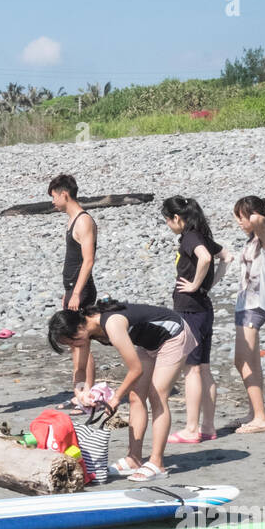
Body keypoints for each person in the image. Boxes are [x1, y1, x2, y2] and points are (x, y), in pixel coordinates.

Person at [47, 300, 196, 481]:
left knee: (157, 396)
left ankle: (157, 463)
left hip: (173, 335)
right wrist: (81, 393)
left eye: (73, 341)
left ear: (79, 327)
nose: (75, 346)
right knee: (135, 397)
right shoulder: (84, 332)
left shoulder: (112, 324)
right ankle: (134, 459)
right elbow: (80, 370)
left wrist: (116, 398)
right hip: (150, 342)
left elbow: (135, 370)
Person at [162, 196, 223, 444]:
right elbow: (226, 256)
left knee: (192, 370)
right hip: (203, 308)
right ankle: (207, 427)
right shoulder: (202, 234)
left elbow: (207, 259)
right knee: (204, 368)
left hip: (190, 310)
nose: (167, 224)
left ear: (177, 218)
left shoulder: (190, 237)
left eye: (167, 219)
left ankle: (191, 429)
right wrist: (209, 285)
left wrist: (197, 285)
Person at [224, 195, 265, 434]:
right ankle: (254, 411)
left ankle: (261, 418)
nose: (239, 221)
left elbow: (258, 220)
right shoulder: (252, 240)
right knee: (247, 360)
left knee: (244, 360)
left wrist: (261, 219)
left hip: (255, 305)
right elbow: (255, 222)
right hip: (244, 305)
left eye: (241, 216)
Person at [48, 174, 98, 402]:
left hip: (82, 291)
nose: (52, 202)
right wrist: (68, 292)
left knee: (81, 344)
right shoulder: (72, 220)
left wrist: (77, 292)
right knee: (74, 344)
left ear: (64, 194)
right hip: (72, 290)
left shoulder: (84, 221)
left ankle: (86, 393)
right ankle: (79, 393)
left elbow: (88, 260)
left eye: (54, 197)